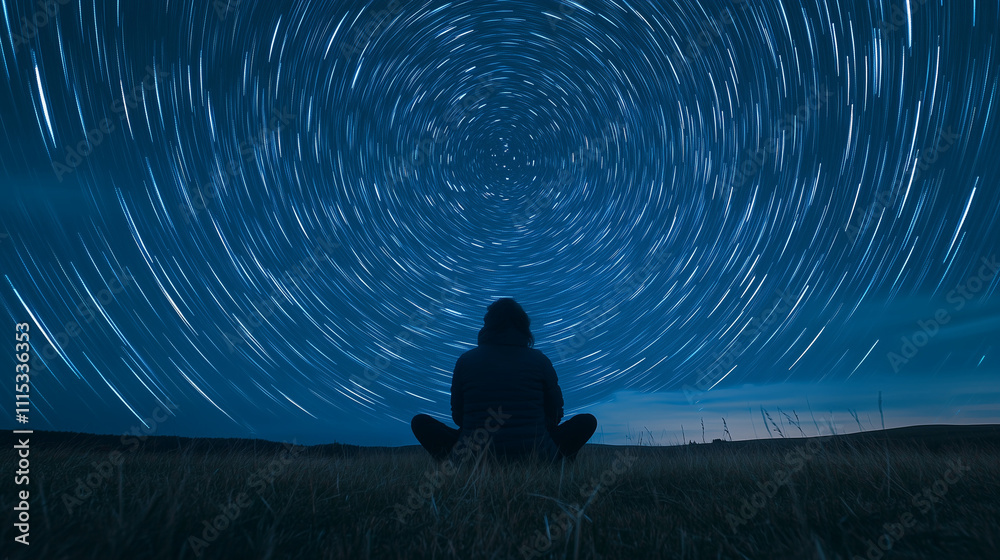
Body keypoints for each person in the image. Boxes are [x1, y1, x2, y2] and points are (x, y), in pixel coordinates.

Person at [411, 298, 597, 463]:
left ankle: (455, 463)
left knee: (420, 422)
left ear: (488, 325)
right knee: (586, 421)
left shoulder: (466, 360)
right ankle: (559, 463)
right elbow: (556, 414)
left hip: (473, 457)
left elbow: (458, 417)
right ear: (523, 326)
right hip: (537, 456)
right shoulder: (540, 360)